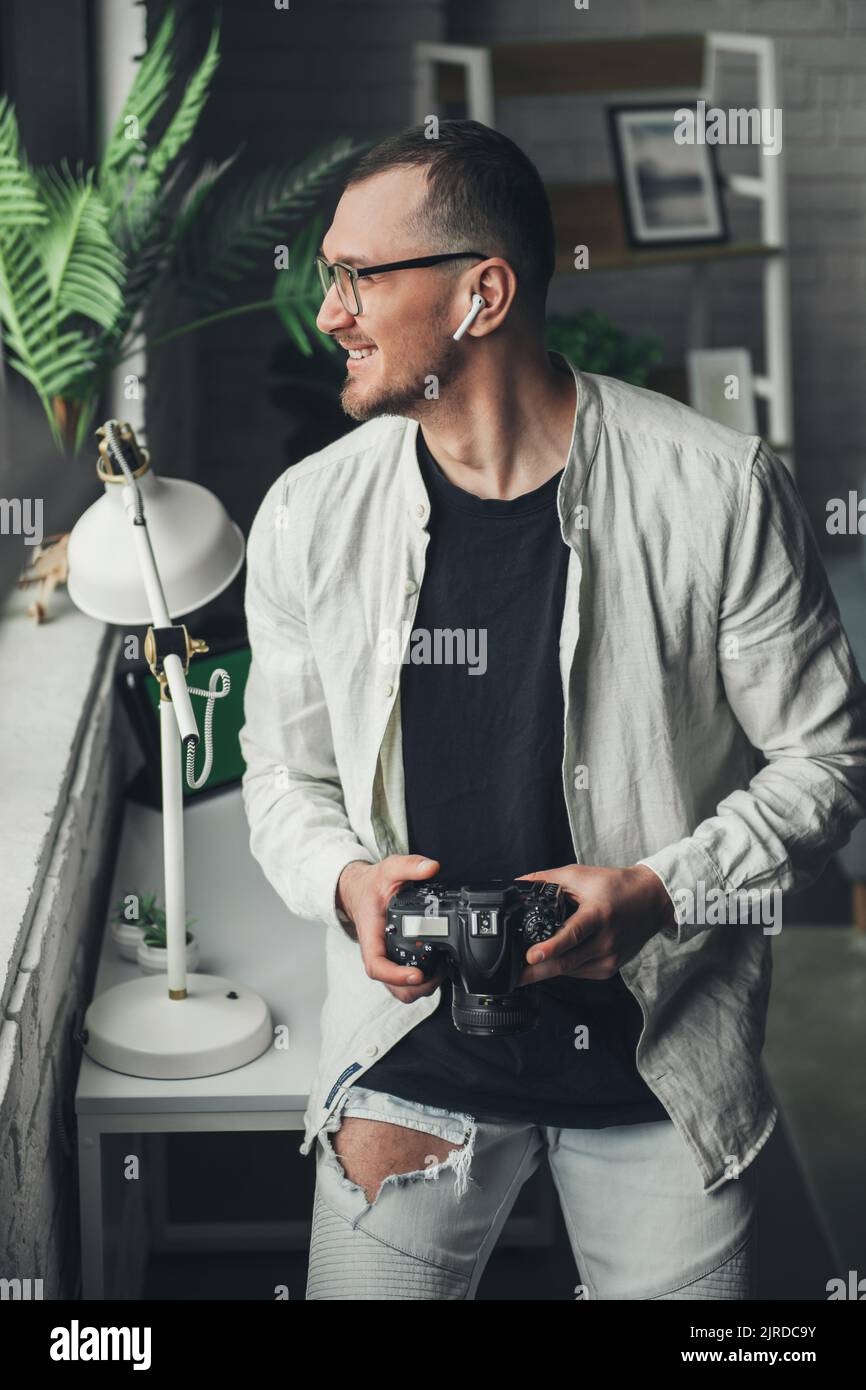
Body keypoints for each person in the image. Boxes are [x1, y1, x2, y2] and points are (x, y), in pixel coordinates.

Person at [238, 120, 866, 1300]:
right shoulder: (304, 516)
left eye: (357, 276)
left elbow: (825, 759)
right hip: (405, 1054)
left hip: (656, 1056)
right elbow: (283, 775)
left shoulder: (716, 489)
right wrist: (347, 882)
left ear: (480, 294)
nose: (328, 313)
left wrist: (660, 891)